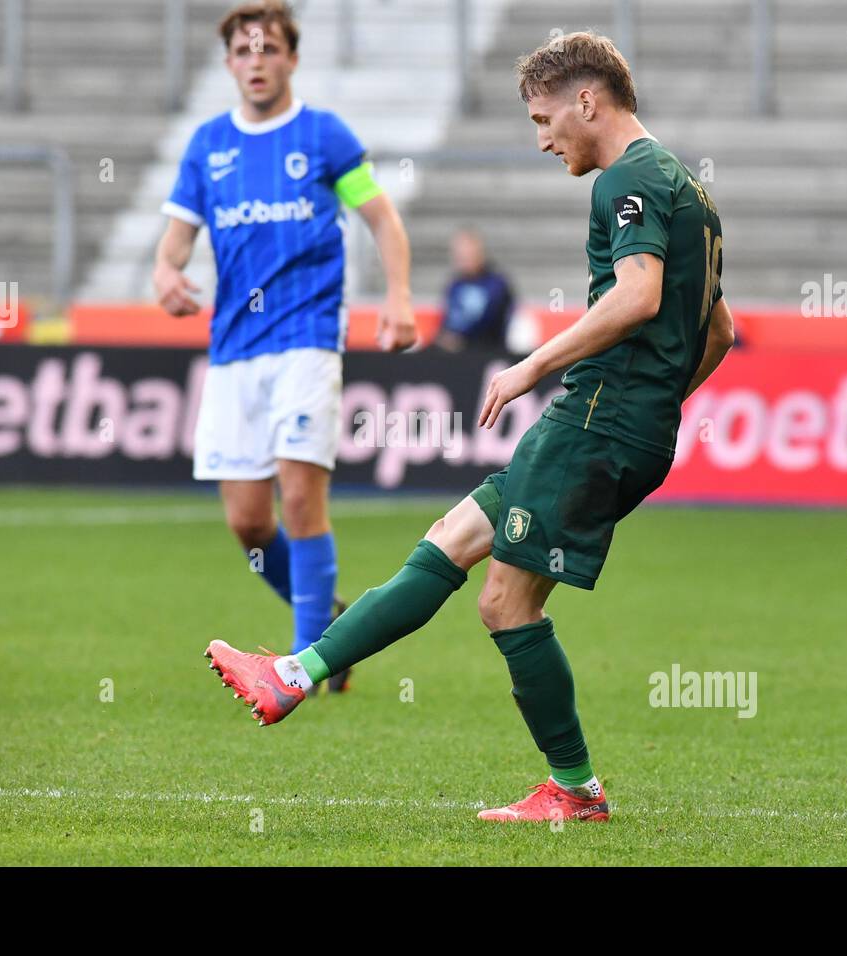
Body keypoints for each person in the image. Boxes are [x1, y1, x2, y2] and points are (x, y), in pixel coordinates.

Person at [205, 30, 735, 821]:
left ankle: (576, 790)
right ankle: (294, 675)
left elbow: (639, 296)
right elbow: (717, 331)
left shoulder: (624, 179)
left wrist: (531, 365)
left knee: (506, 604)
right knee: (452, 537)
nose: (542, 139)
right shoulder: (688, 189)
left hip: (597, 418)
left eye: (543, 118)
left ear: (587, 100)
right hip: (619, 423)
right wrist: (659, 403)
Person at [154, 1, 417, 691]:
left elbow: (383, 221)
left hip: (307, 338)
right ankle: (332, 628)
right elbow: (174, 244)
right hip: (235, 349)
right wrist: (166, 275)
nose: (256, 61)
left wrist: (397, 299)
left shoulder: (323, 136)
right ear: (229, 64)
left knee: (301, 501)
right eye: (243, 51)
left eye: (268, 48)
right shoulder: (207, 147)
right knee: (248, 524)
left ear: (292, 58)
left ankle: (303, 663)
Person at [436, 228, 515, 352]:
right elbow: (447, 320)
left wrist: (459, 338)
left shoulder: (497, 284)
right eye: (459, 254)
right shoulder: (455, 285)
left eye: (467, 253)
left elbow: (490, 320)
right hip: (451, 348)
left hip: (483, 349)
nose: (463, 259)